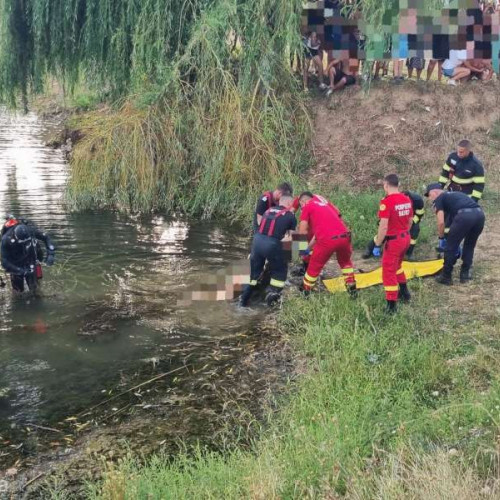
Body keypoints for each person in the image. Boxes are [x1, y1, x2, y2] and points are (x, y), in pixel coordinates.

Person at [240, 196, 297, 307]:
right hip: (272, 245)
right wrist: (292, 254)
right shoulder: (290, 216)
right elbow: (291, 238)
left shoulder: (268, 211)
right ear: (290, 203)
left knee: (253, 277)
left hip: (257, 242)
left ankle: (242, 303)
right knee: (279, 274)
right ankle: (271, 305)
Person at [297, 192, 357, 297]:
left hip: (327, 240)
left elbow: (302, 231)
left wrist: (300, 249)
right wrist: (307, 249)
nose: (300, 208)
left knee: (314, 266)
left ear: (303, 202)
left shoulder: (307, 206)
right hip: (344, 236)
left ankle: (305, 291)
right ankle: (352, 288)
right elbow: (317, 235)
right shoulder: (324, 205)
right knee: (346, 263)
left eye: (300, 205)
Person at [425, 183, 485, 285]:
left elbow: (441, 222)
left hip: (464, 216)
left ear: (434, 192)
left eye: (429, 196)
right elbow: (450, 222)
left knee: (450, 246)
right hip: (479, 215)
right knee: (469, 245)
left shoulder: (439, 199)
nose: (430, 199)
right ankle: (465, 275)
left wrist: (441, 238)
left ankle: (446, 277)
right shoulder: (455, 195)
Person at [374, 174, 413, 313]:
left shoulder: (387, 202)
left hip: (394, 241)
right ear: (398, 184)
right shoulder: (406, 199)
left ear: (386, 185)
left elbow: (383, 226)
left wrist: (377, 244)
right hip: (406, 237)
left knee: (388, 272)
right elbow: (410, 220)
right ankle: (405, 293)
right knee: (398, 266)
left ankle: (391, 307)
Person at [362, 190, 424, 260]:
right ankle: (370, 248)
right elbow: (384, 215)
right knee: (386, 231)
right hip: (396, 218)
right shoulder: (391, 199)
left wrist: (412, 221)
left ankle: (409, 253)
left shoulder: (417, 200)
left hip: (411, 219)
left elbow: (420, 214)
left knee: (415, 230)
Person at [1, 222, 56, 293]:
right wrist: (21, 271)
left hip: (30, 256)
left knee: (35, 289)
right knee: (18, 291)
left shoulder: (30, 230)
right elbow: (5, 262)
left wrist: (51, 254)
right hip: (15, 261)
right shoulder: (5, 240)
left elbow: (46, 238)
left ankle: (35, 297)